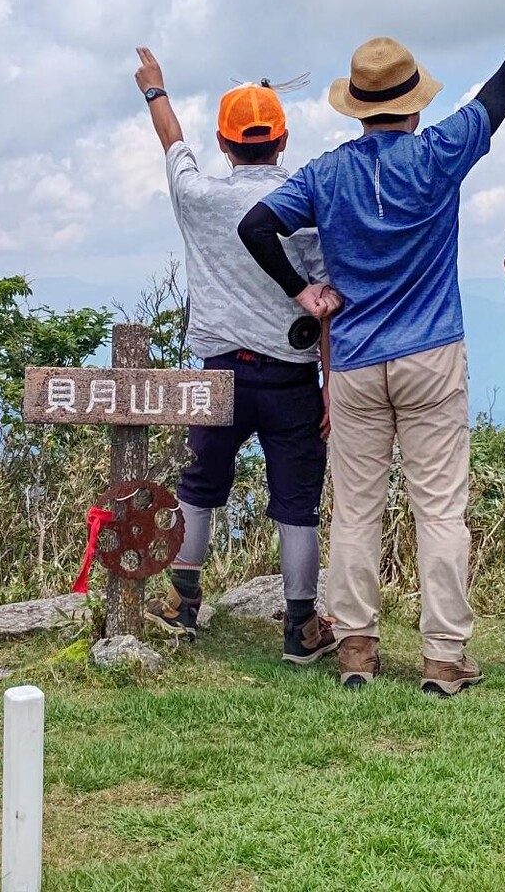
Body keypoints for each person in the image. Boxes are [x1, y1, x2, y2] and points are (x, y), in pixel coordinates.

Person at [238, 0, 505, 696]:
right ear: (410, 101)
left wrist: (304, 294)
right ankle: (443, 657)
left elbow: (256, 228)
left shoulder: (325, 173)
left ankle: (357, 650)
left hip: (359, 362)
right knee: (442, 510)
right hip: (433, 352)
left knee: (357, 509)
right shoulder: (442, 153)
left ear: (358, 104)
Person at [132, 48, 337, 666]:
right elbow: (326, 306)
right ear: (283, 141)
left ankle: (182, 603)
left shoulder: (197, 197)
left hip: (217, 373)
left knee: (199, 486)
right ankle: (300, 628)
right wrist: (332, 387)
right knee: (296, 500)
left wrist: (154, 91)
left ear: (224, 144)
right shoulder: (308, 210)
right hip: (291, 376)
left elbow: (173, 145)